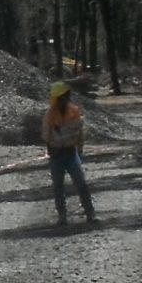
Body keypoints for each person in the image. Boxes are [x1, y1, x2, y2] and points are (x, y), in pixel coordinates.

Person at [42, 80, 97, 227]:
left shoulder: (74, 111)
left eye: (64, 96)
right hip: (56, 155)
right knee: (58, 187)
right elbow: (46, 135)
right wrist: (52, 149)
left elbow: (79, 132)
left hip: (71, 153)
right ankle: (62, 216)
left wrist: (80, 149)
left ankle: (90, 213)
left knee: (81, 184)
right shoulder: (50, 114)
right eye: (61, 97)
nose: (63, 100)